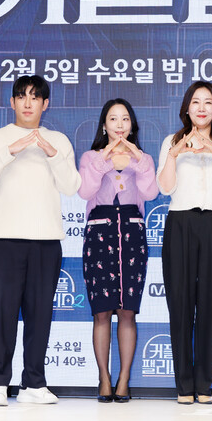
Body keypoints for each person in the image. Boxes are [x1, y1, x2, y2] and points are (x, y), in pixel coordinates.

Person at [0, 75, 81, 407]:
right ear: (11, 102)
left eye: (35, 97)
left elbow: (71, 185)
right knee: (1, 313)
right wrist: (10, 150)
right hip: (6, 238)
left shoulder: (58, 140)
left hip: (46, 239)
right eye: (21, 96)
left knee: (40, 315)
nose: (27, 102)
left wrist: (51, 153)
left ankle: (34, 383)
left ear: (45, 104)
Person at [156, 82, 212, 404]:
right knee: (180, 305)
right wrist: (175, 153)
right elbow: (165, 188)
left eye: (208, 102)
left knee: (210, 305)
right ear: (186, 108)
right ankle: (183, 385)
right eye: (195, 102)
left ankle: (204, 384)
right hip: (180, 223)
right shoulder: (171, 141)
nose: (201, 108)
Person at [77, 99, 158, 403]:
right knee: (101, 313)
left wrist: (136, 160)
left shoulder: (143, 159)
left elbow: (151, 192)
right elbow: (85, 191)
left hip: (132, 235)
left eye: (125, 119)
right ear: (104, 125)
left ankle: (123, 379)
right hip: (100, 234)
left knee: (127, 312)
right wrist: (106, 159)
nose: (120, 124)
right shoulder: (90, 157)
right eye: (113, 119)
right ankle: (103, 378)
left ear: (132, 125)